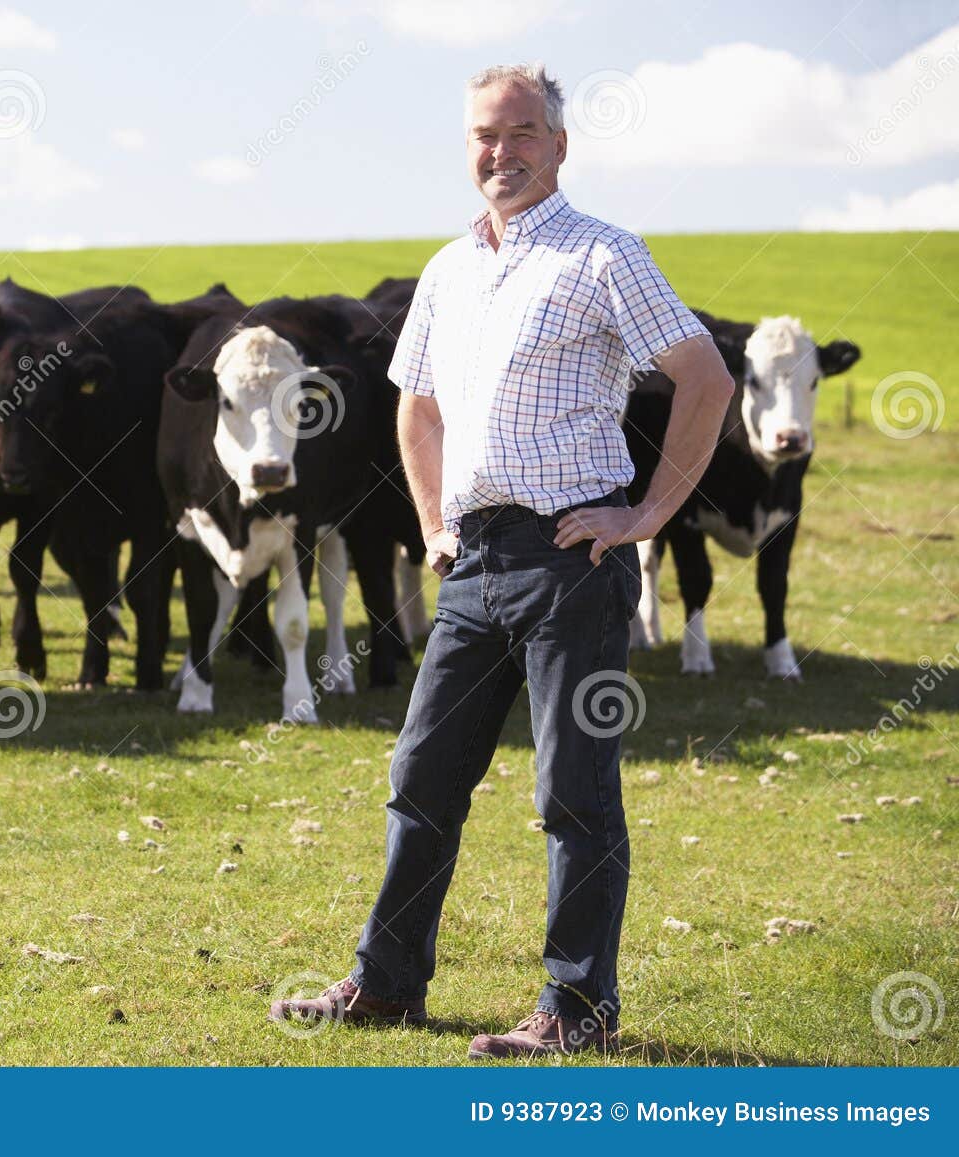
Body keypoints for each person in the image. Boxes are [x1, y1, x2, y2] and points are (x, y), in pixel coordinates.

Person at [270, 63, 734, 1058]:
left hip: (573, 559)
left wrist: (646, 510)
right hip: (473, 566)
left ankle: (576, 1008)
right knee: (420, 777)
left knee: (572, 790)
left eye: (522, 132)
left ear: (559, 146)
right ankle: (386, 985)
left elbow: (703, 374)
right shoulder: (447, 269)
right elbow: (418, 404)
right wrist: (435, 524)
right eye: (485, 134)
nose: (501, 150)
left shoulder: (605, 255)